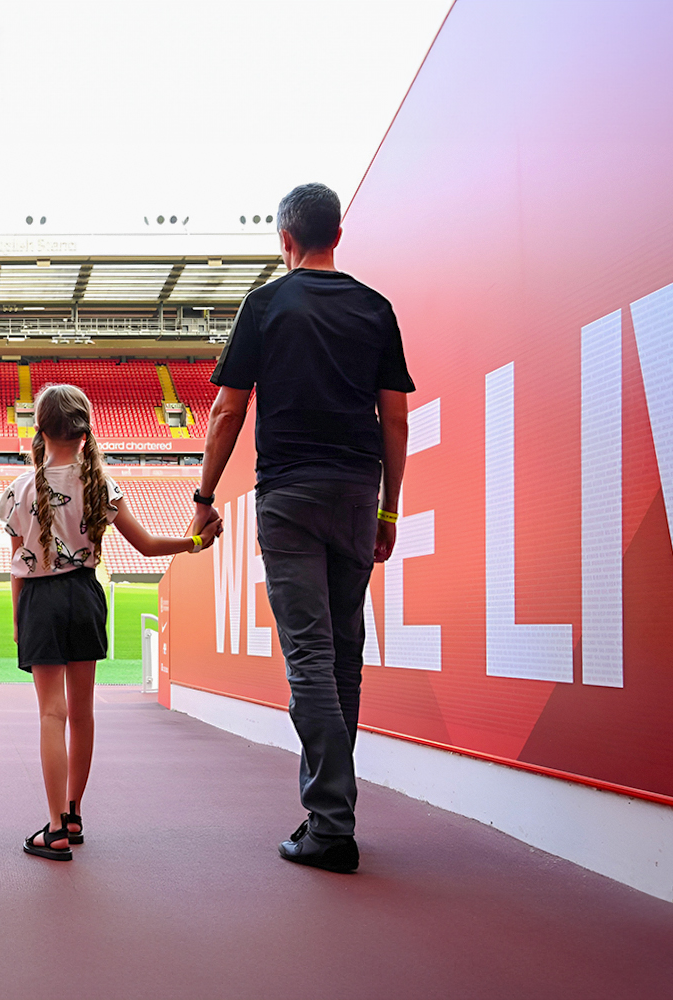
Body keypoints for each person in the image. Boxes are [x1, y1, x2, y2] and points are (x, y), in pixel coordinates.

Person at [187, 182, 414, 874]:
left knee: (310, 656)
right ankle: (334, 811)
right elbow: (395, 418)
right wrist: (389, 507)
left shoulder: (266, 304)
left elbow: (228, 412)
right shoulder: (375, 308)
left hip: (287, 494)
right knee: (345, 652)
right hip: (355, 491)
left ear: (286, 239)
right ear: (336, 236)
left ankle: (330, 822)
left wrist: (204, 496)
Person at [0, 385, 222, 860]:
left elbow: (19, 563)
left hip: (40, 600)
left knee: (51, 714)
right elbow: (147, 546)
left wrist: (19, 620)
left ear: (39, 428)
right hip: (85, 595)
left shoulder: (19, 490)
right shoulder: (101, 482)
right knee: (82, 714)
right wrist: (195, 543)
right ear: (84, 430)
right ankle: (74, 814)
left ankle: (55, 827)